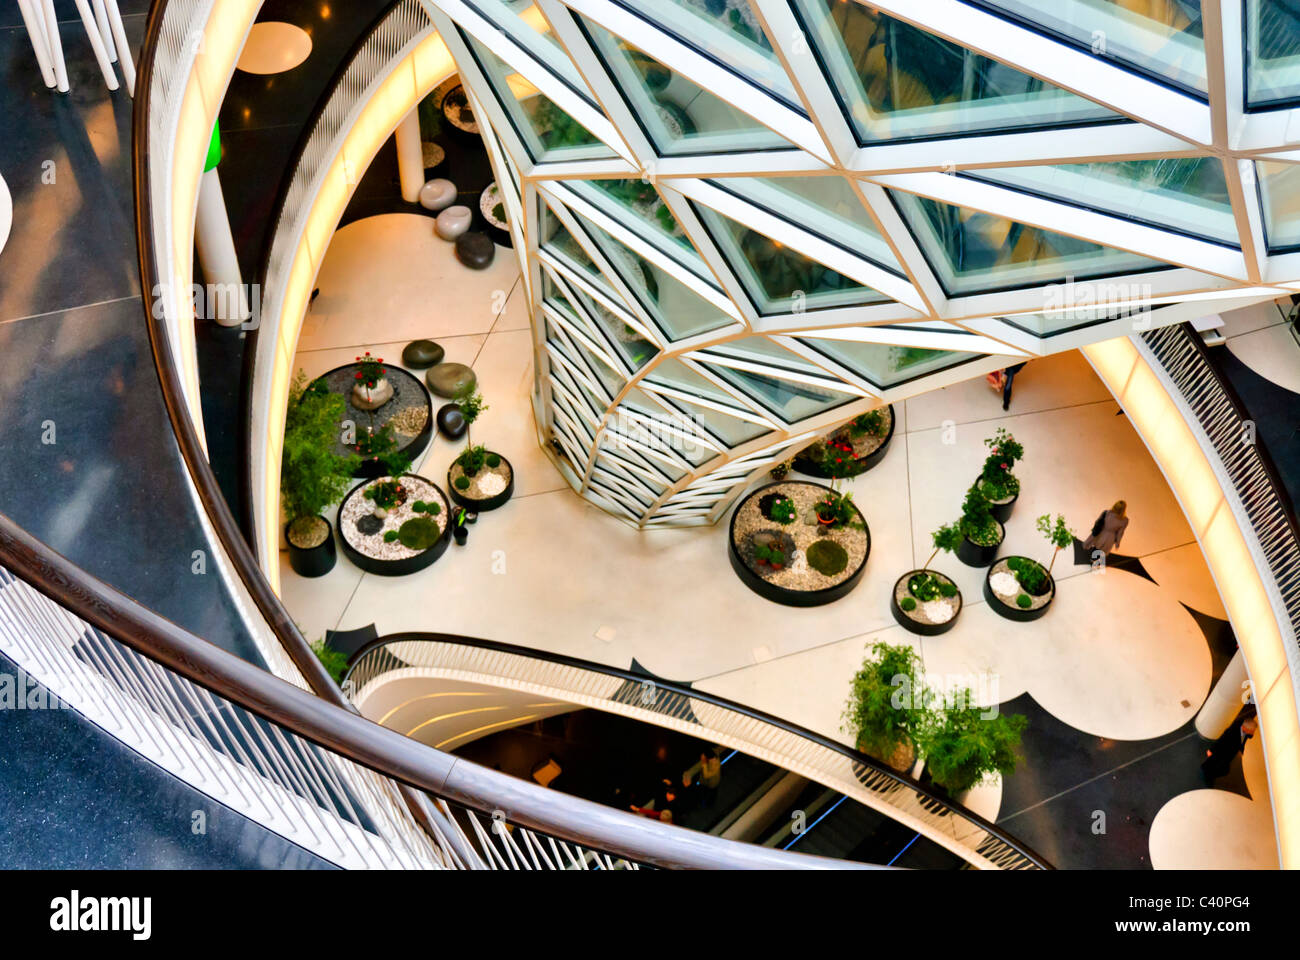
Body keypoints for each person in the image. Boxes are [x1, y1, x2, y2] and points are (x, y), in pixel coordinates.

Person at [1201, 710, 1258, 785]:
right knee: (1221, 768)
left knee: (1217, 765)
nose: (1252, 733)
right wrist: (1211, 750)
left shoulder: (1246, 729)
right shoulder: (1231, 731)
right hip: (1223, 750)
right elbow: (1222, 739)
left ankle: (1206, 769)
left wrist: (1242, 748)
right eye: (1251, 731)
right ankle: (1208, 776)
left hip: (1230, 751)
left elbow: (1247, 737)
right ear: (1244, 728)